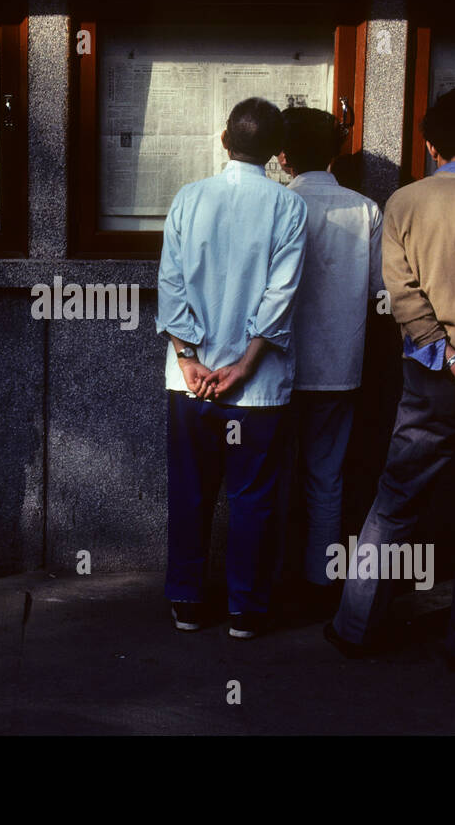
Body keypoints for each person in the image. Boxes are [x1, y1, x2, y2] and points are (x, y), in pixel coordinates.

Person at [326, 87, 455, 670]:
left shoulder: (405, 203)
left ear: (429, 143)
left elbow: (405, 298)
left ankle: (354, 626)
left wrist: (453, 360)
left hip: (433, 378)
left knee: (395, 501)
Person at [156, 97, 306, 640]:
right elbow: (281, 293)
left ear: (225, 140)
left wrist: (188, 357)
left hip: (189, 385)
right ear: (276, 152)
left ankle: (187, 600)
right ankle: (247, 607)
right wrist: (244, 365)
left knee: (191, 491)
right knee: (253, 497)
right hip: (258, 386)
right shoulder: (289, 207)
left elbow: (170, 283)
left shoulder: (189, 198)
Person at [277, 107, 382, 616]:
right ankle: (321, 582)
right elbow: (382, 291)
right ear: (335, 151)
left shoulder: (277, 205)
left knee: (270, 474)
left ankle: (268, 577)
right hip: (341, 364)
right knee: (327, 474)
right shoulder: (365, 209)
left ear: (281, 155)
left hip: (273, 367)